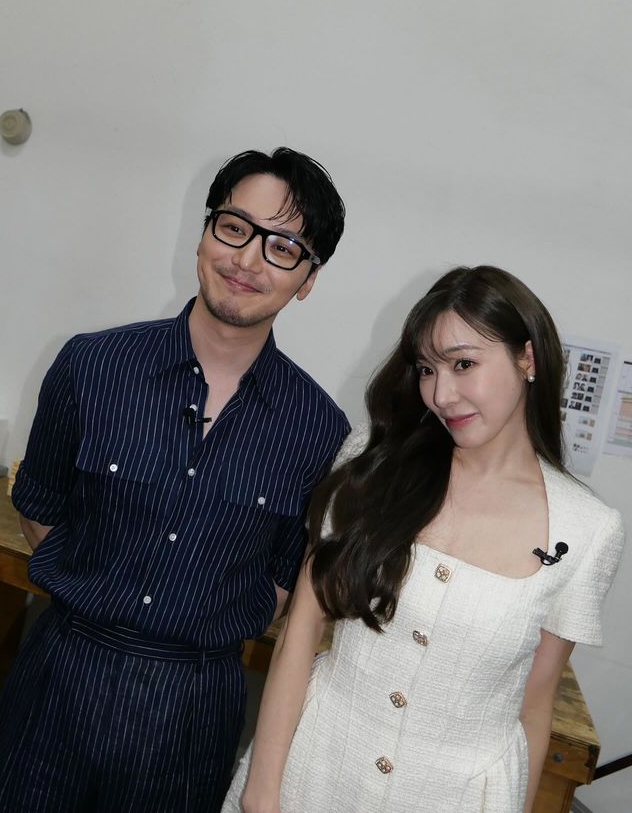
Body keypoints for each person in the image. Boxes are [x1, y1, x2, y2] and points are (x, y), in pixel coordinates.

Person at [0, 147, 350, 813]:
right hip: (62, 674)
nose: (247, 259)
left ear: (308, 279)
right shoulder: (93, 365)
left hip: (195, 707)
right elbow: (38, 504)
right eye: (234, 227)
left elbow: (281, 579)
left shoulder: (317, 428)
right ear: (205, 233)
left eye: (282, 246)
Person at [223, 265, 625, 813]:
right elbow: (302, 630)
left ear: (527, 359)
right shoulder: (372, 463)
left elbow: (535, 706)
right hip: (317, 767)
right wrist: (262, 790)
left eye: (464, 364)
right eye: (426, 369)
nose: (441, 394)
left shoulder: (586, 529)